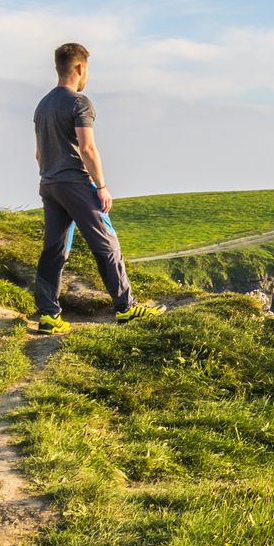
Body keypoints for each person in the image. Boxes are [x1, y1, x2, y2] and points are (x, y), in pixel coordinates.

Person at [31, 42, 162, 334]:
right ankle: (127, 308)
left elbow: (39, 154)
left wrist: (51, 176)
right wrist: (101, 186)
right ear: (80, 68)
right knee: (107, 244)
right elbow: (87, 148)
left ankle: (49, 316)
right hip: (74, 183)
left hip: (49, 183)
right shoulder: (80, 103)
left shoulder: (43, 105)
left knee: (54, 249)